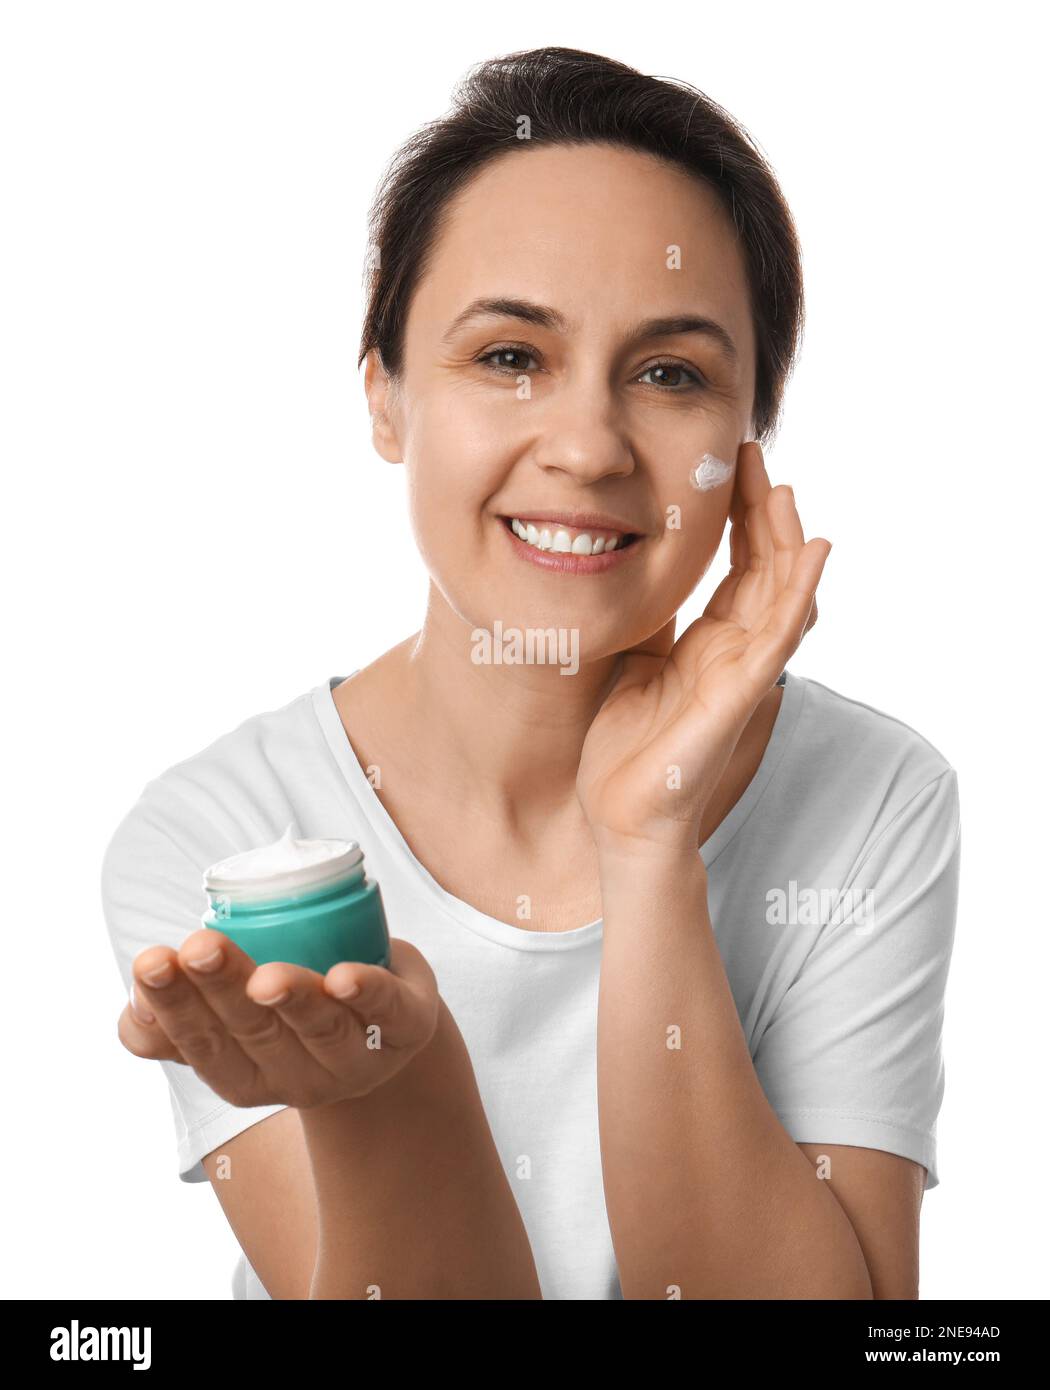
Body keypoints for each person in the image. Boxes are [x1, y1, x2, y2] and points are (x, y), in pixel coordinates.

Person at [100, 46, 961, 1301]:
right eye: (510, 356)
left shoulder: (874, 796)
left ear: (747, 442)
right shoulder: (226, 839)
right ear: (386, 396)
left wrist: (649, 842)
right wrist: (396, 1092)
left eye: (672, 374)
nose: (589, 446)